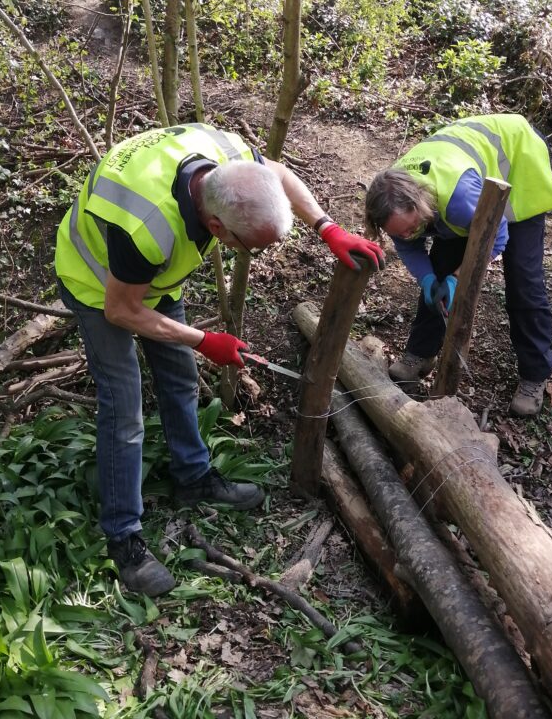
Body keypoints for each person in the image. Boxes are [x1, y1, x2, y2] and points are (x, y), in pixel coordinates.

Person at [55, 121, 384, 596]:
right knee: (124, 409)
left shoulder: (226, 155)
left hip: (157, 276)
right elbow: (122, 309)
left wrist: (327, 228)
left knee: (180, 378)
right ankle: (124, 536)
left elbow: (280, 174)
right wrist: (204, 340)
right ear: (215, 227)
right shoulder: (147, 227)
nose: (250, 255)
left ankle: (192, 476)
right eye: (247, 247)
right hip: (99, 286)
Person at [365, 113, 552, 417]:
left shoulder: (457, 200)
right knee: (438, 275)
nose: (405, 236)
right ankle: (421, 352)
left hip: (518, 162)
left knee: (523, 281)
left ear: (419, 204)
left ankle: (534, 374)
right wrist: (430, 281)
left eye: (410, 227)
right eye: (399, 232)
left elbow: (496, 236)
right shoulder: (391, 201)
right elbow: (409, 247)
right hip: (465, 193)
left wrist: (458, 277)